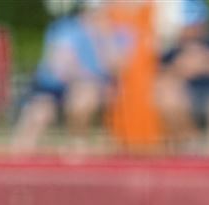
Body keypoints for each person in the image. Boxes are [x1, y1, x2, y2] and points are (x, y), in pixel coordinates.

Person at [11, 0, 131, 154]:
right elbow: (58, 67)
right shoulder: (66, 29)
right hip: (53, 87)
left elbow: (117, 67)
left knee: (84, 97)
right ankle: (21, 160)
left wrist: (105, 37)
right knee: (38, 115)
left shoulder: (119, 33)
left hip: (92, 89)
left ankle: (77, 146)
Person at [154, 0, 209, 154]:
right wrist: (179, 68)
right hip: (187, 97)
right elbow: (160, 73)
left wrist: (205, 61)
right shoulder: (176, 47)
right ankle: (189, 146)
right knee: (166, 93)